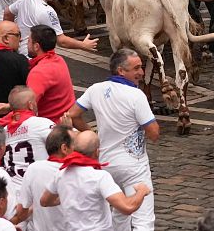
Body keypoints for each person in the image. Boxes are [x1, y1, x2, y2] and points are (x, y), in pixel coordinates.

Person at [68, 48, 159, 229]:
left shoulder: (96, 89)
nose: (141, 73)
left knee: (119, 212)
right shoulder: (136, 95)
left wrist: (92, 135)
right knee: (143, 218)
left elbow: (73, 115)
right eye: (136, 68)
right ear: (121, 71)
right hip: (134, 165)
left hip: (106, 161)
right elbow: (154, 132)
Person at [40, 130, 151, 227]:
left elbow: (45, 201)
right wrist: (141, 192)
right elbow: (127, 207)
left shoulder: (61, 174)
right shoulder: (100, 177)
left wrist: (69, 197)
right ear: (97, 152)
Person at [4, 0, 98, 54]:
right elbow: (61, 41)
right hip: (36, 58)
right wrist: (83, 45)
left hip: (20, 54)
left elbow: (7, 13)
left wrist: (12, 36)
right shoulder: (47, 11)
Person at [16, 124, 73, 231]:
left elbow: (21, 211)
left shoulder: (33, 168)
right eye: (75, 144)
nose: (78, 148)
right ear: (64, 148)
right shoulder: (77, 171)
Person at [0, 86, 54, 189]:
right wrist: (66, 128)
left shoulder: (3, 132)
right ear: (30, 105)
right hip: (38, 189)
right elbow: (68, 141)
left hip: (12, 190)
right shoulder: (41, 124)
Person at [24, 26, 75, 123]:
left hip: (51, 129)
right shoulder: (59, 60)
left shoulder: (39, 72)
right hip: (66, 122)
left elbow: (27, 106)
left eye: (29, 41)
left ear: (36, 46)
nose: (26, 43)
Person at [0, 21, 28, 105]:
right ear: (6, 38)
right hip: (10, 114)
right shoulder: (19, 60)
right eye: (18, 35)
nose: (20, 39)